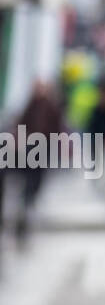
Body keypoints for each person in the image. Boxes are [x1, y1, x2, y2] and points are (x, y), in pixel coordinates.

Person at [5, 79, 63, 239]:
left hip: (39, 154)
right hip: (28, 153)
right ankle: (21, 217)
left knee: (30, 189)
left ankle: (24, 217)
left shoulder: (52, 107)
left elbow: (56, 131)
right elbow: (21, 125)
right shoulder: (31, 105)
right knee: (25, 188)